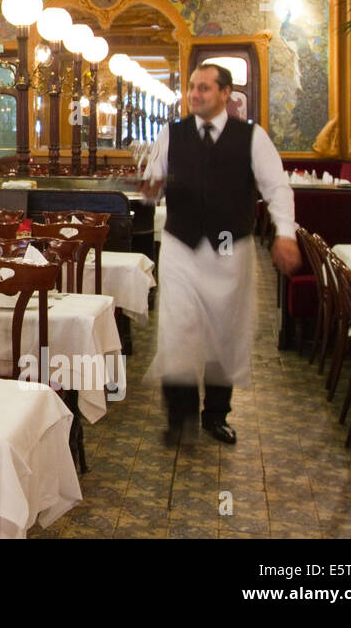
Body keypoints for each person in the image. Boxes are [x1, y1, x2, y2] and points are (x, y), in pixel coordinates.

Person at [140, 63, 301, 446]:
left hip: (230, 248)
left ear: (226, 94)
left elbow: (277, 189)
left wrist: (286, 234)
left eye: (205, 88)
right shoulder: (171, 134)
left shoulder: (252, 137)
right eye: (192, 88)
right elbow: (151, 186)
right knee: (178, 330)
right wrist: (150, 188)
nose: (195, 94)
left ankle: (215, 414)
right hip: (180, 244)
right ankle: (180, 419)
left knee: (223, 333)